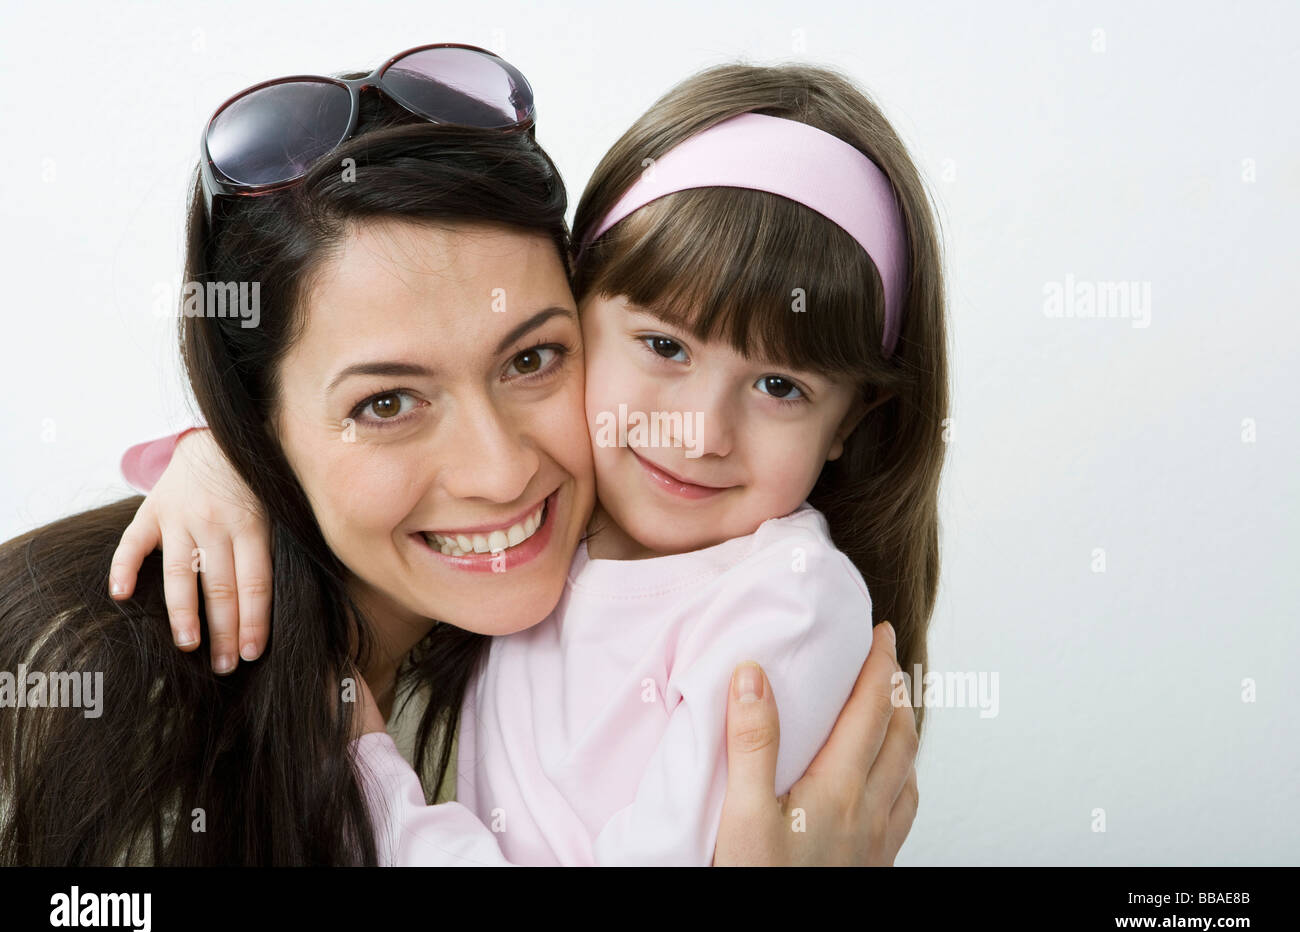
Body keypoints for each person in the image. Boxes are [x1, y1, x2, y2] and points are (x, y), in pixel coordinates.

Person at [94, 47, 922, 865]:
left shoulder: (781, 604)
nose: (698, 434)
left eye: (530, 360)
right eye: (385, 402)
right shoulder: (116, 697)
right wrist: (219, 457)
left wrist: (364, 770)